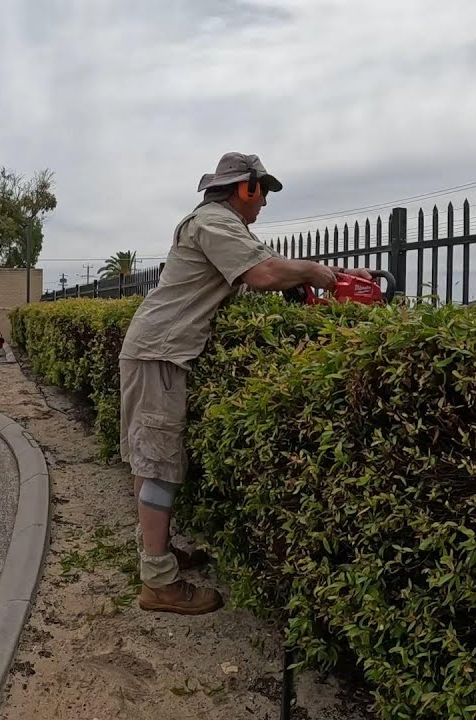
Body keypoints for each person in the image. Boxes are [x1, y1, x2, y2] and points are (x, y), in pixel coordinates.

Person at [117, 152, 373, 615]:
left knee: (148, 456)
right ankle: (157, 581)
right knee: (157, 464)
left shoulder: (217, 225)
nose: (265, 204)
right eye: (264, 193)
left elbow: (263, 268)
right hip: (162, 352)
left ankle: (157, 553)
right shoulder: (214, 223)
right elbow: (262, 274)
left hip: (156, 348)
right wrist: (315, 270)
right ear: (246, 188)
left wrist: (322, 278)